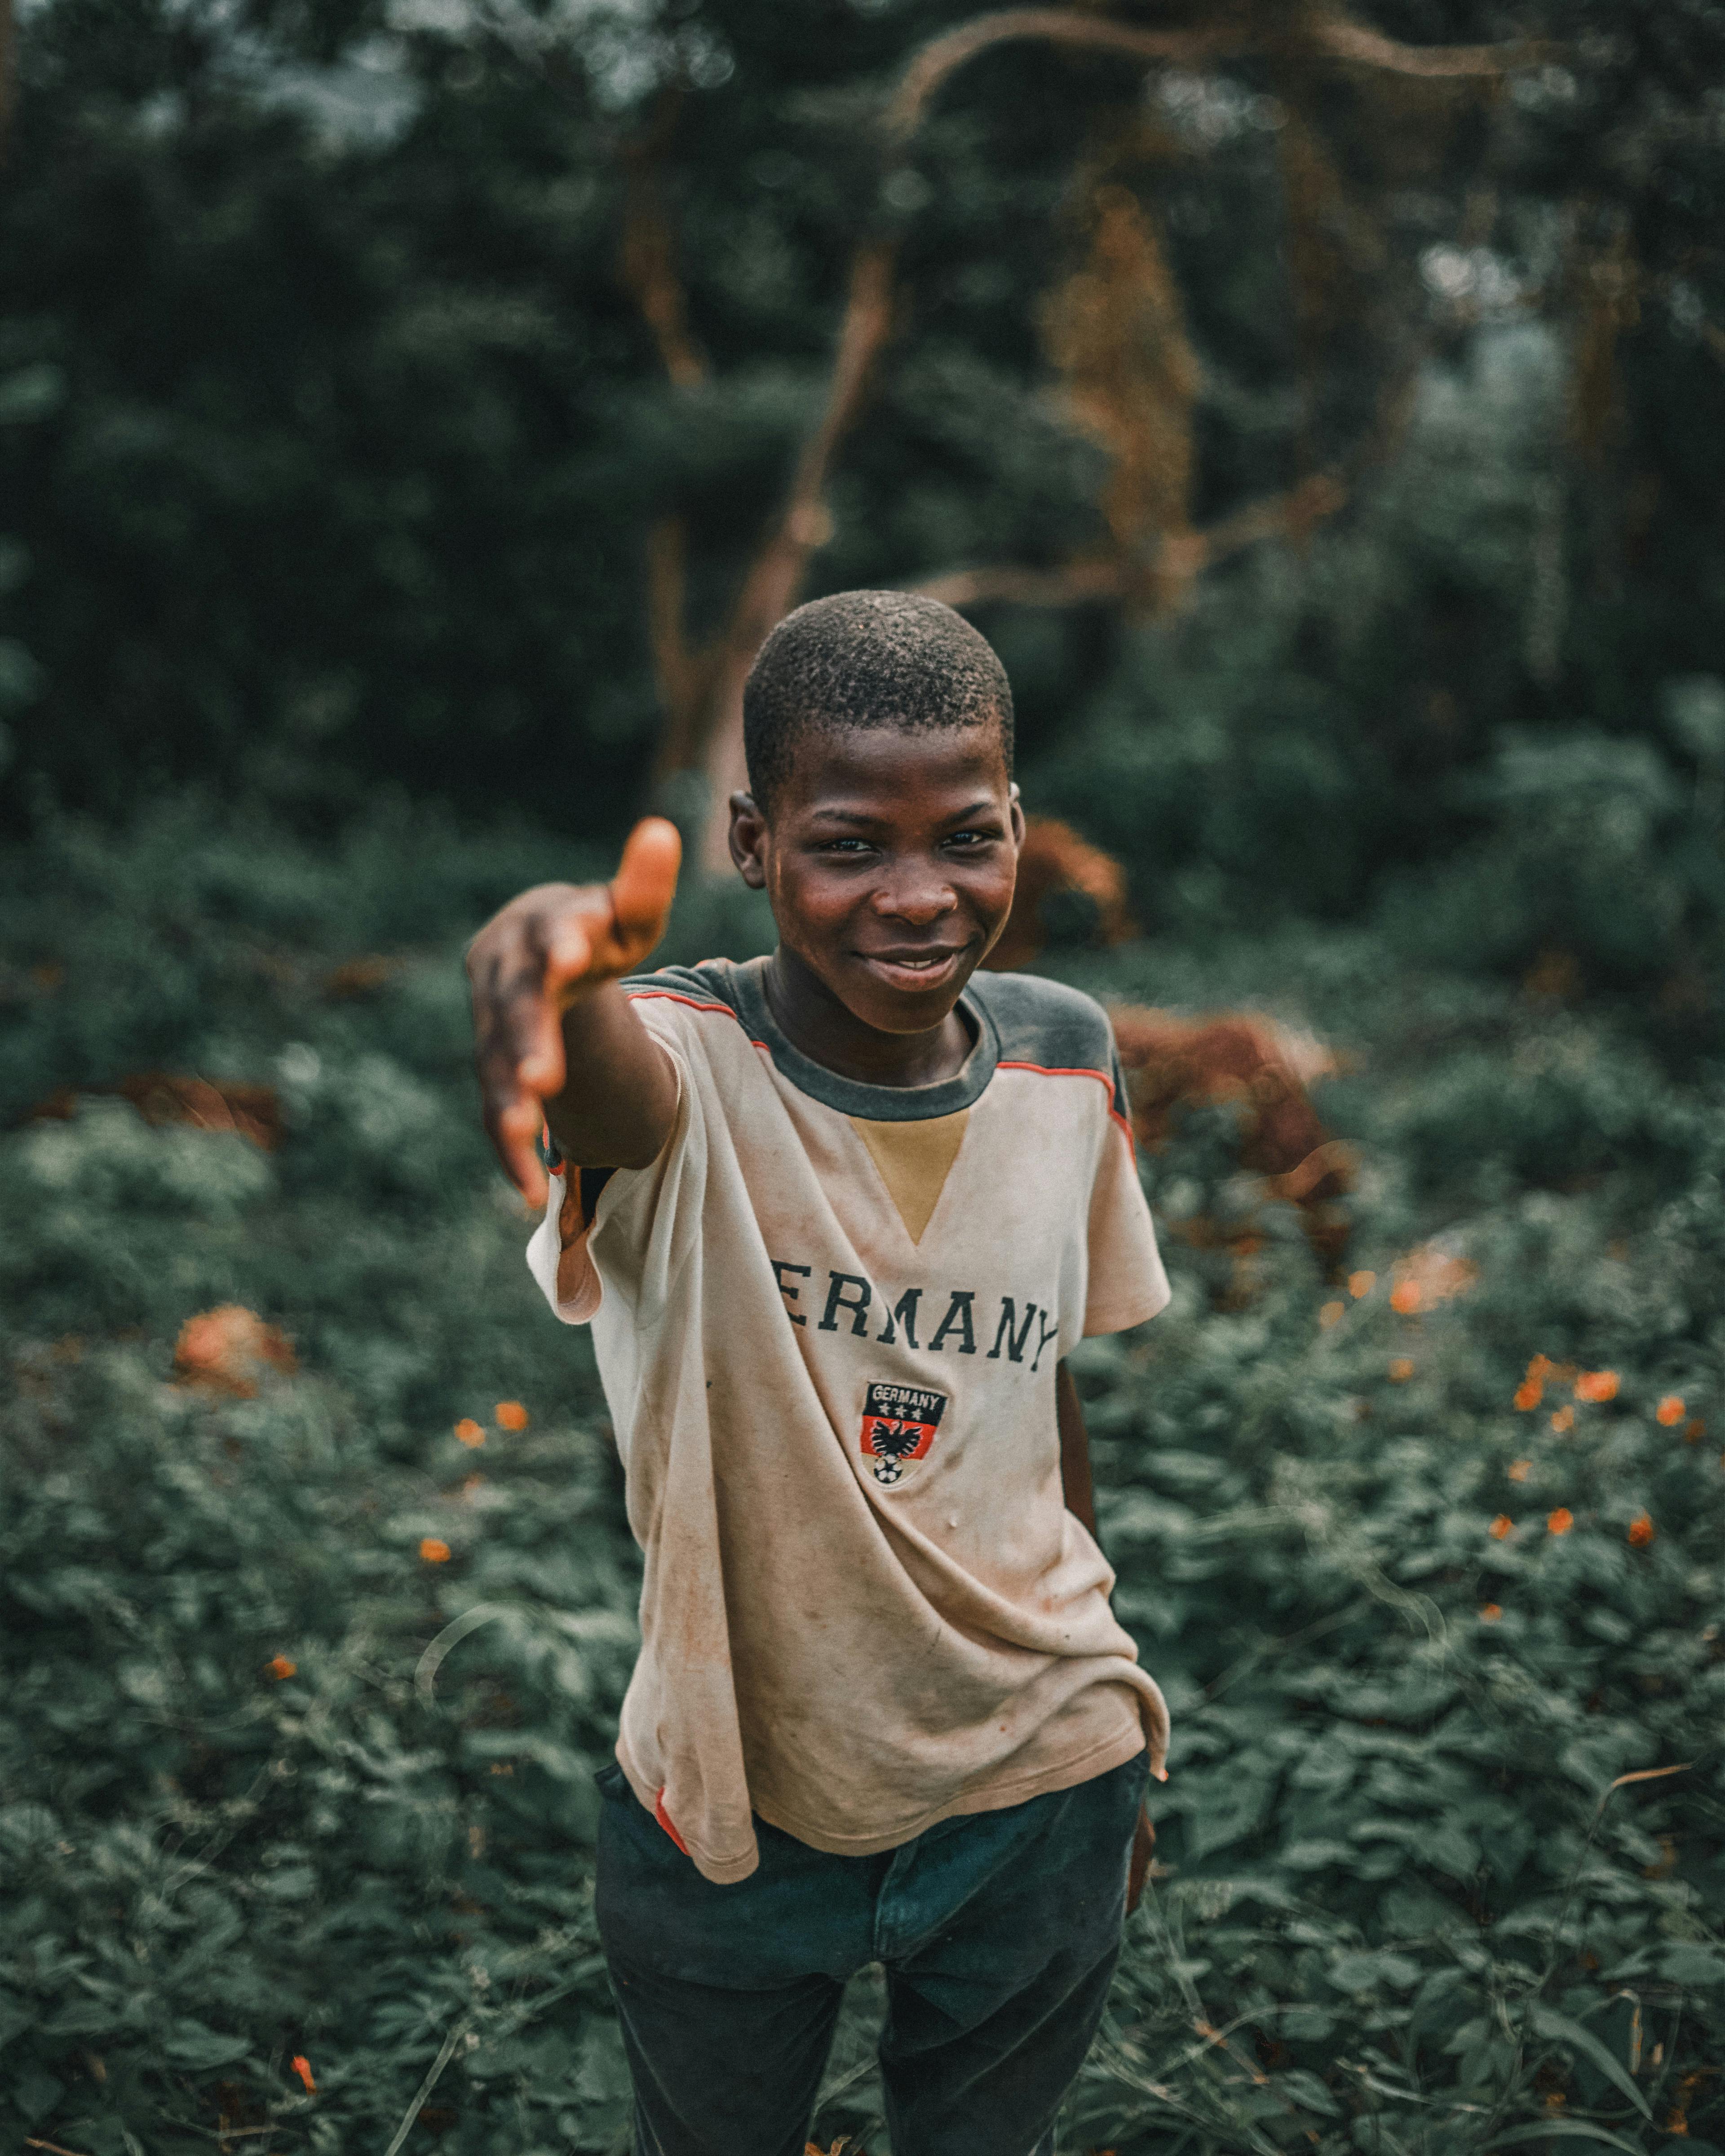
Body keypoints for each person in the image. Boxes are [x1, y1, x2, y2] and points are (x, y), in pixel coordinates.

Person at [465, 590, 1171, 2156]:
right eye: (850, 842)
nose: (918, 897)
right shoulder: (689, 1060)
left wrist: (1105, 1725)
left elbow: (1041, 1387)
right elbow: (611, 1098)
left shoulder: (1067, 1055)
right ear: (751, 838)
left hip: (1041, 1784)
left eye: (966, 839)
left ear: (1019, 828)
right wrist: (556, 969)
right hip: (732, 1807)